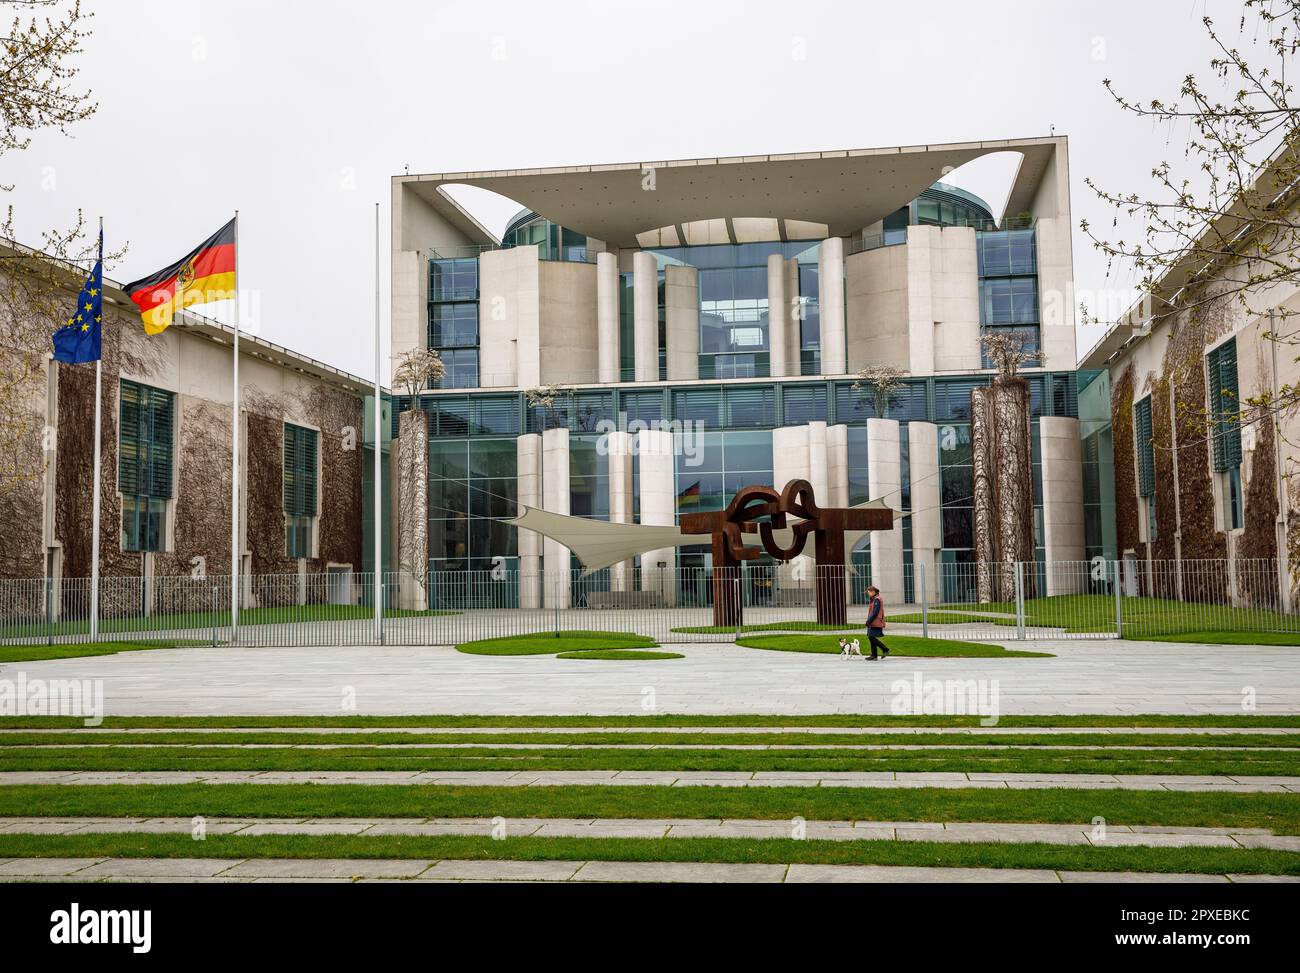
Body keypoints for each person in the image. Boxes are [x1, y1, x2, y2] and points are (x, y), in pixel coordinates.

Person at [865, 585, 889, 660]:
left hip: (875, 621)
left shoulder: (877, 599)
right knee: (871, 637)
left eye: (869, 592)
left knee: (871, 637)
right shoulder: (874, 599)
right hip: (873, 621)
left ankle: (885, 649)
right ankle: (874, 655)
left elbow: (875, 612)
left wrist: (869, 621)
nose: (868, 594)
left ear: (873, 592)